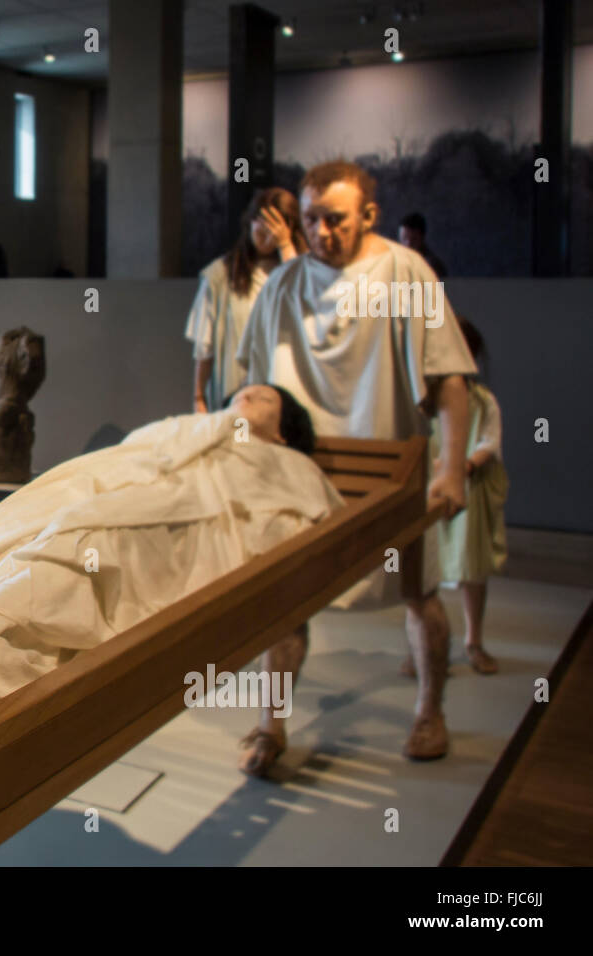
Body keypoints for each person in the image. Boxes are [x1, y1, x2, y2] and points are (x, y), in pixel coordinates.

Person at [0, 385, 339, 725]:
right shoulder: (185, 429)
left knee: (82, 548)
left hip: (174, 519)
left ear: (284, 432)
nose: (246, 394)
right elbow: (128, 455)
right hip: (103, 484)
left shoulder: (286, 464)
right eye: (241, 392)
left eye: (264, 397)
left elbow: (302, 521)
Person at [236, 160, 476, 772]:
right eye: (311, 218)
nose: (322, 231)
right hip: (302, 471)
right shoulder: (285, 285)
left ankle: (430, 710)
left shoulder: (406, 272)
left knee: (417, 592)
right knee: (284, 598)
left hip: (393, 467)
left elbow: (451, 379)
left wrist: (450, 465)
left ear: (368, 214)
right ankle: (272, 724)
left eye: (335, 219)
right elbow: (253, 386)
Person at [428, 318, 507, 675]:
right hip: (428, 490)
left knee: (472, 567)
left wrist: (463, 467)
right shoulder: (422, 401)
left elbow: (489, 441)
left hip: (468, 489)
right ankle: (423, 650)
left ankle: (473, 641)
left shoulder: (482, 400)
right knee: (422, 571)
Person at [185, 188, 304, 413]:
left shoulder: (299, 272)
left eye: (276, 223)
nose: (266, 230)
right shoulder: (221, 276)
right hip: (236, 392)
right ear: (249, 222)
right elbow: (205, 345)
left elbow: (299, 293)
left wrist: (285, 246)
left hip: (285, 394)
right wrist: (198, 398)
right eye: (260, 220)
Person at [398, 212, 448, 279]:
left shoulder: (432, 266)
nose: (408, 244)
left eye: (414, 239)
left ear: (422, 237)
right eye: (404, 238)